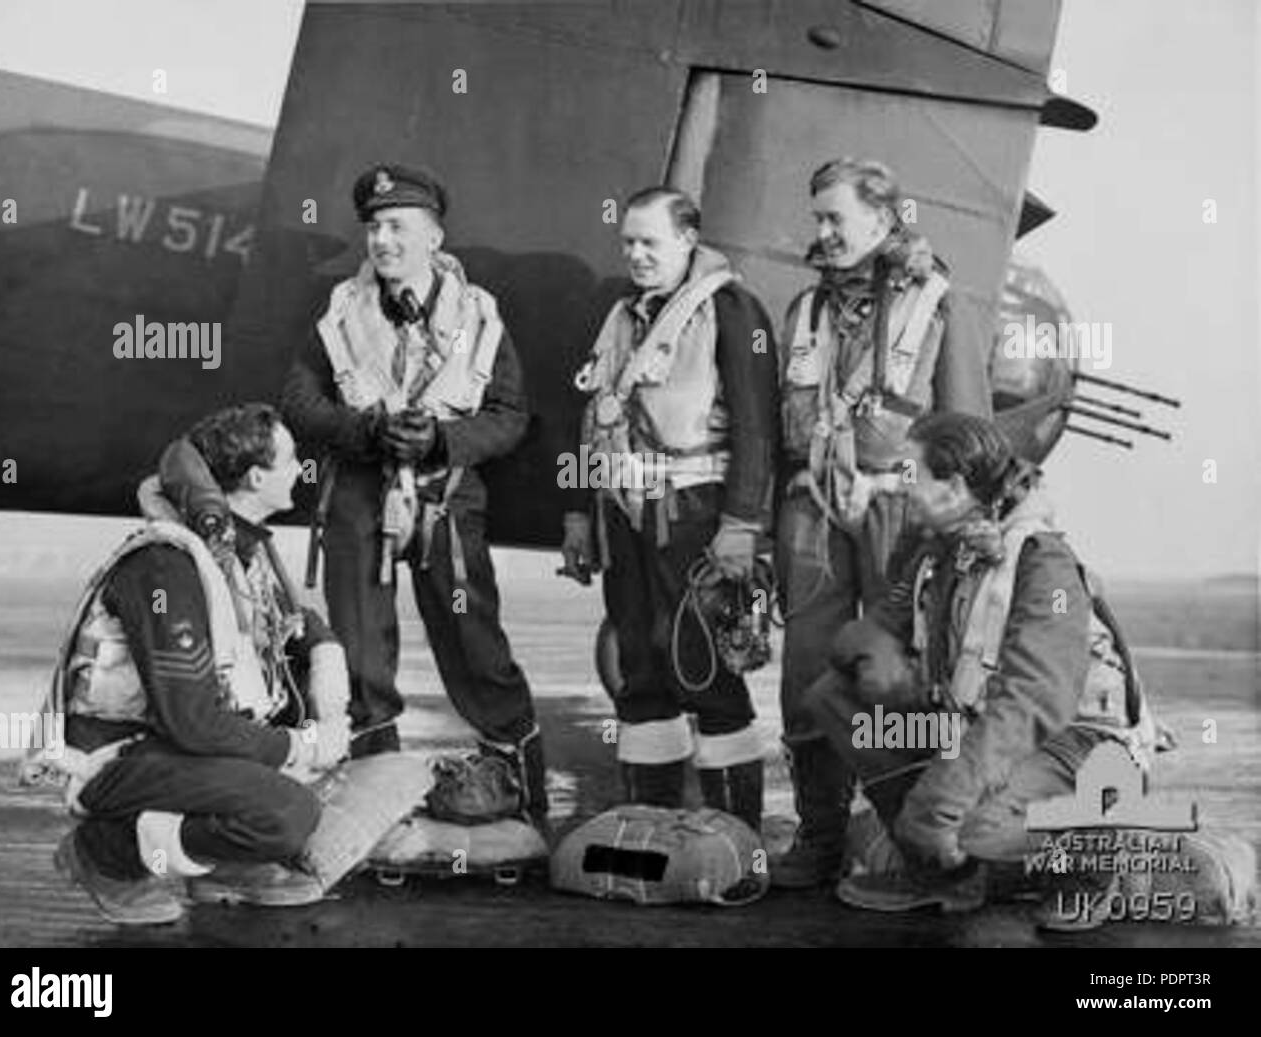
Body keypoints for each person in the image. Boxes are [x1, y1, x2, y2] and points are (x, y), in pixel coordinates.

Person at [806, 412, 1160, 923]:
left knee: (969, 825)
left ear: (952, 487)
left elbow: (1035, 701)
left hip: (1078, 742)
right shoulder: (938, 551)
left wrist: (942, 797)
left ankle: (1092, 859)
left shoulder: (1044, 562)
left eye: (910, 476)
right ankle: (941, 870)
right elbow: (864, 637)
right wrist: (882, 666)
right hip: (981, 729)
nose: (898, 488)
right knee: (836, 700)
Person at [282, 163, 548, 822]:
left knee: (474, 641)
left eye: (398, 226)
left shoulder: (479, 317)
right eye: (374, 226)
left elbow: (512, 414)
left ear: (435, 235)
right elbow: (298, 402)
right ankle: (376, 800)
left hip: (445, 496)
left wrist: (438, 442)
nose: (382, 240)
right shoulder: (341, 315)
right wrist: (367, 428)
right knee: (362, 652)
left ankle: (520, 784)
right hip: (359, 494)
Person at [34, 404, 351, 926]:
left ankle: (224, 865)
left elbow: (285, 626)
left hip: (176, 745)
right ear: (255, 476)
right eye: (292, 459)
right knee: (288, 813)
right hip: (119, 757)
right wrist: (304, 746)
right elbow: (193, 720)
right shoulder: (166, 567)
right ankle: (105, 855)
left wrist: (324, 654)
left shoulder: (238, 554)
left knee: (302, 756)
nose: (302, 469)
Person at [772, 157, 993, 887]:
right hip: (813, 508)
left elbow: (967, 426)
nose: (824, 232)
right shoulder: (803, 310)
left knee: (898, 670)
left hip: (902, 509)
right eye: (818, 219)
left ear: (884, 218)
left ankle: (912, 826)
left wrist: (972, 524)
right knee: (808, 666)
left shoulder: (937, 302)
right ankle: (820, 832)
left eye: (836, 218)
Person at [559, 187, 780, 831]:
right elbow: (593, 418)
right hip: (623, 514)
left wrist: (741, 527)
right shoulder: (621, 315)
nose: (636, 253)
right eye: (628, 241)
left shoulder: (736, 313)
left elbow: (758, 429)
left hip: (696, 512)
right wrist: (577, 514)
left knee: (702, 663)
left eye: (649, 241)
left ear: (688, 240)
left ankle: (735, 832)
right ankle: (649, 821)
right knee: (639, 667)